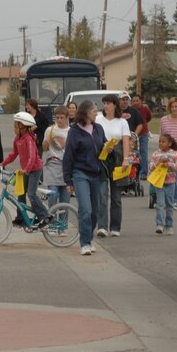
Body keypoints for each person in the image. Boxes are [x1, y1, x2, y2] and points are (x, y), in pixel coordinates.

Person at [63, 100, 106, 256]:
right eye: (94, 111)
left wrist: (109, 147)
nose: (97, 113)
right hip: (80, 173)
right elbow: (68, 156)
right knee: (86, 209)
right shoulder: (74, 131)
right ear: (86, 112)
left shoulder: (98, 129)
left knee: (95, 211)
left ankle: (89, 236)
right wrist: (68, 180)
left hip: (97, 174)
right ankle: (85, 243)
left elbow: (103, 146)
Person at [2, 111, 48, 225]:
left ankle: (45, 216)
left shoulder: (28, 139)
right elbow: (13, 154)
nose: (14, 128)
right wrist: (2, 164)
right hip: (26, 170)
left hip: (35, 169)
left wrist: (26, 170)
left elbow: (32, 157)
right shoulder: (17, 139)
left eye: (16, 126)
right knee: (21, 193)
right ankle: (20, 218)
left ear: (23, 127)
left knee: (31, 194)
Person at [95, 93, 131, 237]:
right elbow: (94, 137)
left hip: (117, 158)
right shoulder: (98, 120)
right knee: (102, 195)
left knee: (116, 196)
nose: (106, 106)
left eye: (109, 103)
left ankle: (115, 227)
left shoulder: (122, 122)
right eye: (104, 103)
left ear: (115, 105)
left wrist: (126, 159)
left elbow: (126, 141)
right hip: (103, 157)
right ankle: (102, 226)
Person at [150, 133, 177, 235]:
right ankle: (160, 225)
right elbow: (150, 167)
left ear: (169, 143)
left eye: (163, 142)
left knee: (169, 205)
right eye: (160, 141)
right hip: (160, 183)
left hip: (170, 182)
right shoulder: (155, 154)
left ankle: (169, 226)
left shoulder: (174, 154)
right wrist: (158, 163)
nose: (161, 143)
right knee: (160, 204)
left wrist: (169, 164)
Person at [42, 107, 71, 210]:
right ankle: (52, 220)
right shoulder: (50, 130)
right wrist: (46, 142)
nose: (59, 120)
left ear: (67, 118)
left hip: (66, 167)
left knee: (65, 200)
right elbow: (44, 149)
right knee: (53, 195)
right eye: (57, 117)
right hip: (52, 165)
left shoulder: (70, 131)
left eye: (62, 118)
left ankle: (63, 225)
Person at [133, 95, 153, 178]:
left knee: (143, 153)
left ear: (141, 101)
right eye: (133, 101)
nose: (135, 102)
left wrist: (143, 124)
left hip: (144, 134)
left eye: (137, 101)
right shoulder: (131, 110)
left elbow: (149, 118)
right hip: (134, 135)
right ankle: (134, 172)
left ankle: (144, 173)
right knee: (134, 154)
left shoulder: (145, 109)